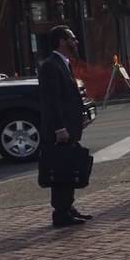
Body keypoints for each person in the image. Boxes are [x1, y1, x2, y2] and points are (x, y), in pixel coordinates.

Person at [38, 25, 91, 228]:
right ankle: (60, 213)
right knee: (61, 169)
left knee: (69, 166)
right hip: (60, 130)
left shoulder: (64, 63)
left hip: (70, 126)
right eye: (72, 38)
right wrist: (59, 128)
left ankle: (68, 207)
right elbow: (51, 101)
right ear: (62, 41)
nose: (76, 42)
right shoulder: (50, 66)